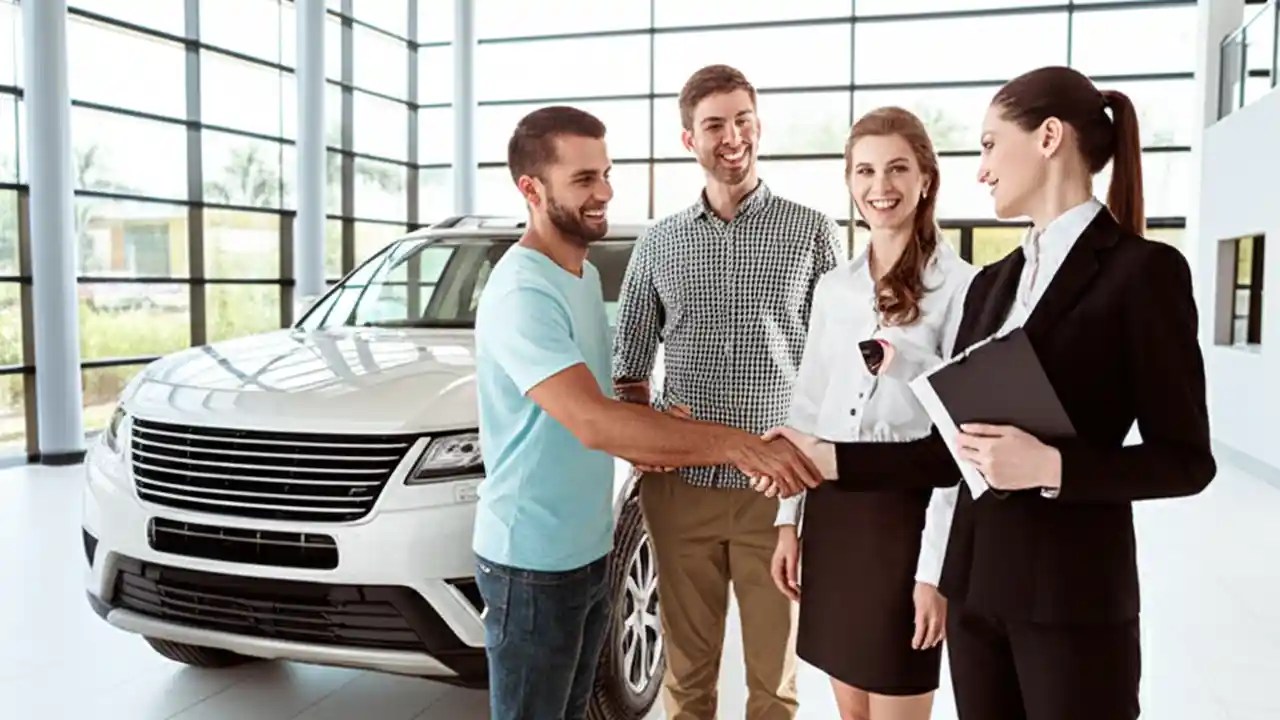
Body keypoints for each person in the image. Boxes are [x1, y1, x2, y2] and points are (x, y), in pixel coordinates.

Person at [761, 66, 1216, 720]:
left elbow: (1186, 460)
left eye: (988, 144)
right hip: (977, 594)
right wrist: (823, 460)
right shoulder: (995, 285)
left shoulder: (1142, 273)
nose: (982, 170)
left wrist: (1053, 467)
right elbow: (946, 451)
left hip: (1071, 600)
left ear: (1049, 137)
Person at [472, 106, 823, 720]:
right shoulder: (523, 290)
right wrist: (737, 444)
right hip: (531, 563)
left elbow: (611, 403)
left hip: (584, 551)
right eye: (584, 179)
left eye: (606, 173)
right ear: (530, 189)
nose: (605, 191)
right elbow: (594, 421)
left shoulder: (576, 275)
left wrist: (663, 430)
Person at [612, 65, 842, 720]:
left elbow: (837, 364)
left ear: (758, 127)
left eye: (743, 120)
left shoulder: (813, 232)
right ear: (690, 139)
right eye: (715, 124)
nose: (732, 136)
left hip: (777, 492)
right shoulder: (659, 242)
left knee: (774, 683)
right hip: (679, 492)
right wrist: (646, 431)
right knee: (687, 678)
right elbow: (627, 361)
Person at [768, 107, 977, 720]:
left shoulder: (963, 288)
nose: (879, 187)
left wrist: (934, 572)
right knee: (851, 714)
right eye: (864, 171)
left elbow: (957, 444)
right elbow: (807, 406)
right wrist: (789, 521)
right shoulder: (835, 288)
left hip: (905, 523)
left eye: (896, 169)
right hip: (833, 515)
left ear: (926, 179)